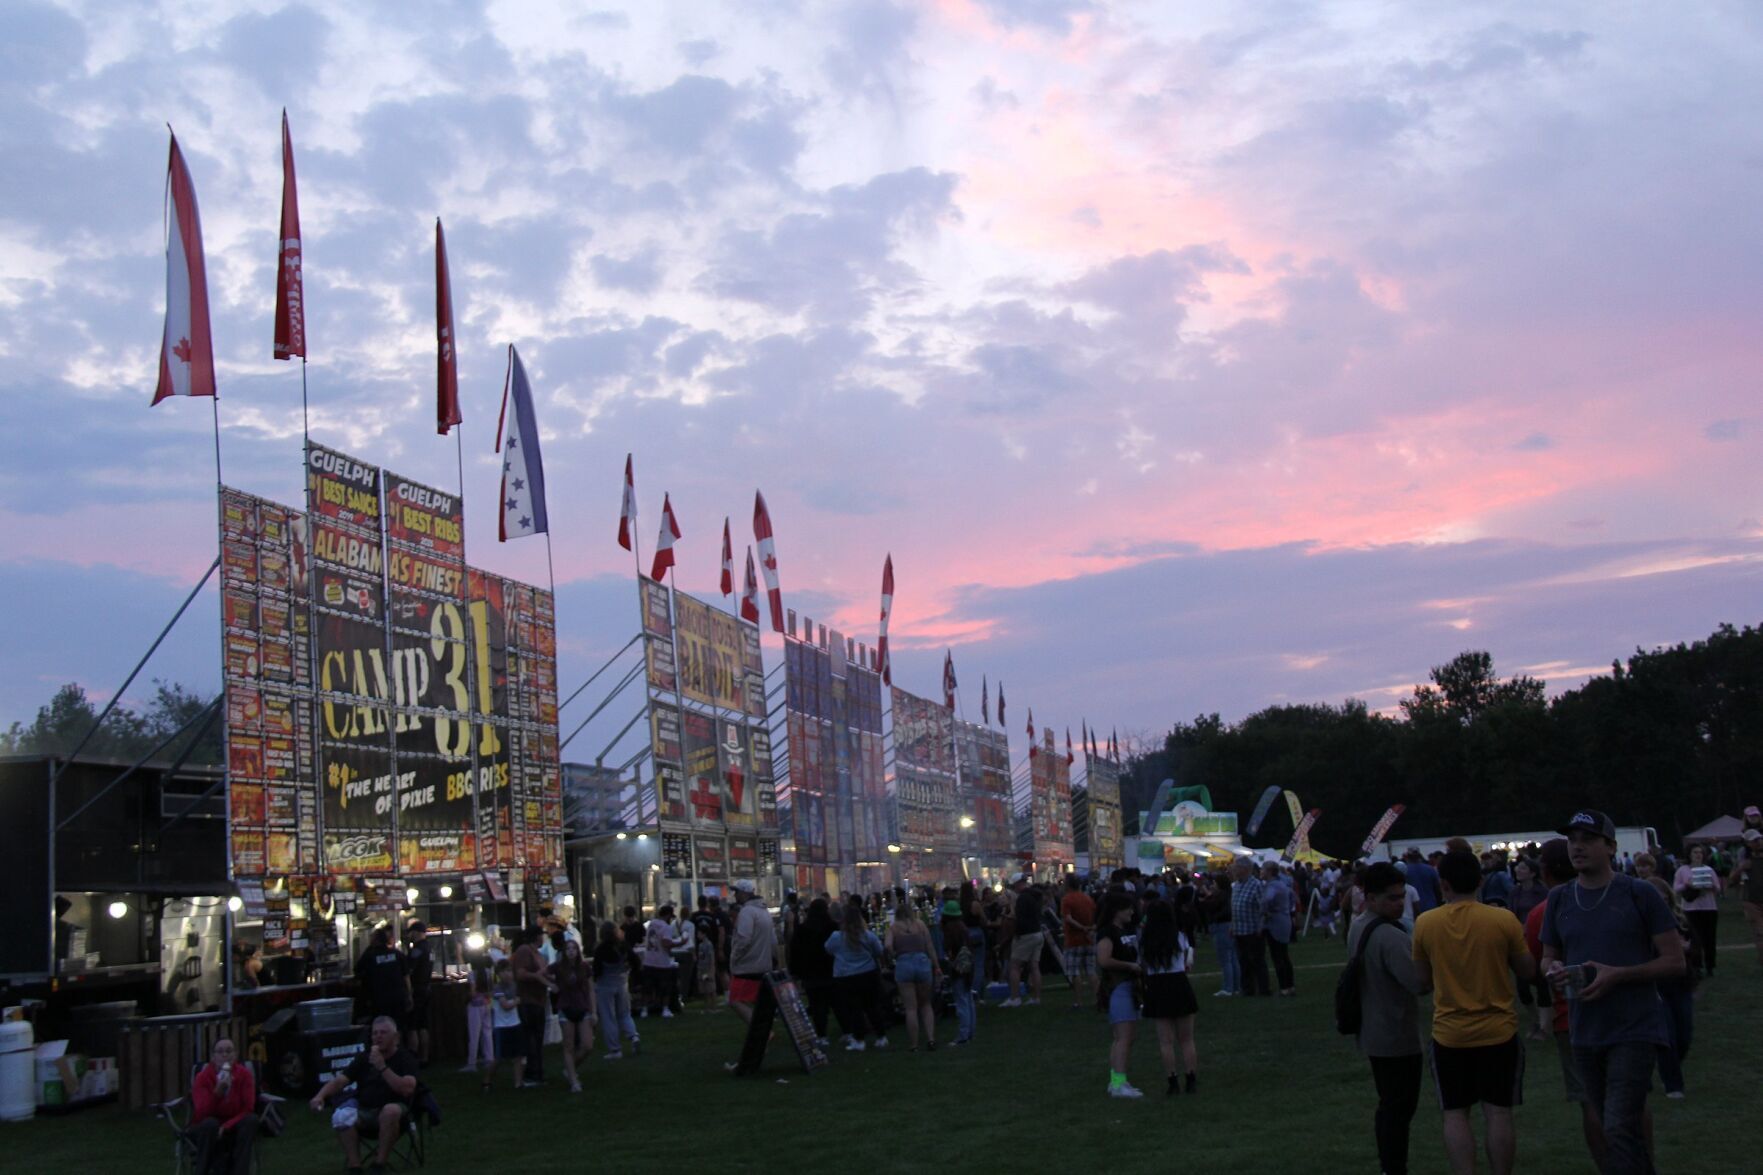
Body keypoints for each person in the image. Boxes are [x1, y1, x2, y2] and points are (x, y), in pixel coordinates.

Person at [1541, 810, 1683, 1175]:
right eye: (1572, 840)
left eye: (1587, 839)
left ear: (1611, 847)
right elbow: (1548, 956)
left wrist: (1619, 975)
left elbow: (1673, 961)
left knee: (1619, 1125)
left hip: (1634, 1028)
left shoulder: (1638, 893)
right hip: (1585, 1030)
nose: (1578, 847)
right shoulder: (1559, 899)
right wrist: (1553, 971)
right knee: (1614, 1128)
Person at [1410, 849, 1536, 1175]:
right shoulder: (1502, 919)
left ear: (1443, 884)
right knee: (1498, 1112)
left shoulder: (1426, 923)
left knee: (1454, 1113)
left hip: (1450, 1035)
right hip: (1499, 1032)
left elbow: (1422, 982)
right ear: (1480, 881)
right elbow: (1526, 970)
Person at [1523, 839, 1605, 1167]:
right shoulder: (1611, 898)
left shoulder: (1541, 913)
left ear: (1543, 871)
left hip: (1570, 1016)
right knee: (1632, 1098)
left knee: (1591, 1100)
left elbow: (1533, 967)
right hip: (1620, 1010)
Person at [1350, 862, 1427, 1175]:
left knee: (1389, 1106)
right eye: (1392, 898)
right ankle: (1394, 1167)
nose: (1399, 903)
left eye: (1401, 897)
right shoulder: (1390, 936)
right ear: (1370, 898)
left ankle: (1390, 1165)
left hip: (1372, 1029)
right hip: (1396, 1033)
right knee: (1399, 1107)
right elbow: (1419, 983)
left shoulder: (1359, 924)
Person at [310, 1016, 418, 1174]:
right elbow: (340, 1081)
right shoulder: (364, 1058)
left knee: (390, 1110)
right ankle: (355, 1166)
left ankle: (379, 1164)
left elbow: (407, 1089)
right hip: (365, 1111)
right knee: (342, 1115)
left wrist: (382, 1067)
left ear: (396, 1037)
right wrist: (319, 1096)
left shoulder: (405, 1058)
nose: (378, 1036)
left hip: (396, 1115)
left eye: (383, 1033)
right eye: (375, 1033)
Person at [1138, 899, 1199, 1096]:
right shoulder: (1179, 937)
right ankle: (1191, 1079)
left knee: (1165, 1041)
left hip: (1157, 986)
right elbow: (1188, 961)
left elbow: (1143, 965)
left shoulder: (1146, 940)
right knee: (1186, 1039)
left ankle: (1172, 1081)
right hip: (1179, 983)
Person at [1642, 876, 1695, 1100]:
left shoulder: (1679, 919)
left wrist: (1689, 948)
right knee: (1668, 1036)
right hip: (1656, 985)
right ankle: (1673, 1082)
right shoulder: (1641, 923)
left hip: (1680, 984)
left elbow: (1696, 947)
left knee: (1684, 1034)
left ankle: (1669, 1067)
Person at [1094, 892, 1143, 1097]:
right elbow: (1104, 960)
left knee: (1126, 1037)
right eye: (1127, 908)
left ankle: (1117, 1080)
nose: (1132, 911)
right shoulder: (1107, 933)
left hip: (1130, 987)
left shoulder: (1128, 929)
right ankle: (1118, 1082)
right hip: (1118, 987)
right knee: (1123, 1036)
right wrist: (1129, 965)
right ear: (1116, 911)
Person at [825, 901, 889, 1051]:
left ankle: (859, 1040)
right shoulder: (868, 936)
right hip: (868, 973)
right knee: (871, 1006)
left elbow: (827, 949)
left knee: (854, 1009)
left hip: (846, 976)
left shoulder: (837, 937)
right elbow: (879, 951)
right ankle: (881, 1036)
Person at [189, 1037, 257, 1175]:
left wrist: (226, 1126)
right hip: (207, 1126)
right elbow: (201, 1112)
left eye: (229, 1051)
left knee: (251, 1120)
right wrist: (217, 1093)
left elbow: (248, 1108)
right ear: (213, 1056)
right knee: (210, 1124)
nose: (224, 1055)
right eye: (220, 1052)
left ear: (236, 1054)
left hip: (234, 1124)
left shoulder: (244, 1075)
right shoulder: (203, 1077)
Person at [885, 899, 940, 1051]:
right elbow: (930, 947)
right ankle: (931, 1039)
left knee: (910, 1008)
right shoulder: (920, 925)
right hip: (922, 963)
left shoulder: (893, 928)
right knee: (926, 1004)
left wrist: (894, 955)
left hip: (904, 965)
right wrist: (936, 966)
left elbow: (888, 945)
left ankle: (914, 1045)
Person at [727, 879, 778, 1027]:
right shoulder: (764, 912)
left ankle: (759, 1029)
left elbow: (743, 940)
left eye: (736, 892)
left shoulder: (747, 912)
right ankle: (765, 1027)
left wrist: (734, 958)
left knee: (735, 1000)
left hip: (746, 967)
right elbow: (773, 940)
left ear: (743, 893)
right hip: (763, 965)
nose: (735, 895)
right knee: (758, 1002)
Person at [549, 938, 596, 1093]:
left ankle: (570, 1068)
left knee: (587, 1045)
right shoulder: (558, 967)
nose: (571, 951)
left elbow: (590, 989)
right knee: (568, 1045)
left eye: (573, 948)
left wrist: (593, 1010)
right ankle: (574, 1080)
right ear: (564, 951)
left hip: (582, 1007)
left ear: (578, 951)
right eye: (568, 948)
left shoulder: (584, 967)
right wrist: (551, 985)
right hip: (566, 1007)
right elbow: (542, 973)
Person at [789, 898, 837, 1045]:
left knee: (817, 1005)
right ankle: (848, 1030)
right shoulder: (832, 927)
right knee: (837, 1002)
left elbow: (794, 951)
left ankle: (822, 1035)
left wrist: (795, 971)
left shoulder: (803, 929)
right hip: (830, 969)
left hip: (809, 971)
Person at [511, 926, 555, 1087]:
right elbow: (520, 973)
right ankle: (531, 1073)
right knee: (530, 1038)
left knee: (537, 1038)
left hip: (539, 1000)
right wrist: (537, 976)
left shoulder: (537, 953)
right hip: (528, 1001)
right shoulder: (524, 951)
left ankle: (537, 1071)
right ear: (536, 937)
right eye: (541, 935)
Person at [1671, 844, 1723, 978]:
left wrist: (1711, 885)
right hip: (1691, 909)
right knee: (1695, 938)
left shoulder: (1709, 870)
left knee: (1710, 938)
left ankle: (1710, 965)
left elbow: (1718, 888)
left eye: (1700, 852)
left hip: (1709, 908)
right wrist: (1687, 884)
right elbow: (1675, 888)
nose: (1698, 855)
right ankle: (1697, 966)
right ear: (1689, 854)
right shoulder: (1683, 870)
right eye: (1695, 852)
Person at [592, 921, 639, 1060]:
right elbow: (636, 961)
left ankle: (615, 1049)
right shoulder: (623, 946)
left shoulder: (600, 949)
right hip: (622, 982)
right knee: (625, 1013)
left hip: (605, 985)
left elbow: (597, 970)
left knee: (608, 1017)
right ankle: (633, 1035)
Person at [355, 926, 410, 1036]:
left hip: (379, 999)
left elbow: (357, 970)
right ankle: (398, 1048)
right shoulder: (397, 954)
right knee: (398, 1027)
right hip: (398, 998)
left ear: (375, 940)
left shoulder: (370, 956)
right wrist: (409, 996)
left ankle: (385, 1050)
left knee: (381, 1027)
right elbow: (406, 977)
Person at [1002, 874, 1045, 1006]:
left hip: (1025, 935)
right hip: (1038, 933)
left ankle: (1015, 998)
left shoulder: (1022, 898)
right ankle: (1036, 997)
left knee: (1014, 966)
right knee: (1034, 966)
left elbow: (1017, 917)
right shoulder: (1035, 895)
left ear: (1017, 884)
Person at [1229, 858, 1270, 996]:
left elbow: (1263, 908)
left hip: (1253, 931)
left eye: (1236, 868)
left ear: (1245, 869)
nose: (1233, 870)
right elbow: (1235, 907)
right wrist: (1232, 925)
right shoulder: (1236, 885)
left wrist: (1261, 926)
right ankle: (1247, 989)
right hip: (1239, 930)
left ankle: (1263, 989)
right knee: (1243, 961)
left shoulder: (1256, 885)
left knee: (1257, 960)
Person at [1059, 873, 1098, 1009]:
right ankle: (1096, 999)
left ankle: (1078, 1001)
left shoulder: (1067, 900)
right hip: (1089, 939)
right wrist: (1090, 928)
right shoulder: (1088, 899)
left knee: (1075, 972)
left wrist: (1081, 927)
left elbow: (1068, 918)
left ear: (1068, 885)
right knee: (1091, 971)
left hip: (1073, 940)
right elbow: (1095, 916)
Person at [1200, 872, 1239, 996]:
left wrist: (1206, 898)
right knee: (1232, 958)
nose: (1213, 885)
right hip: (1228, 925)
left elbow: (1211, 906)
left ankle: (1227, 987)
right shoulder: (1229, 894)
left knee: (1225, 959)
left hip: (1221, 926)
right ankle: (1236, 986)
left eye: (1215, 883)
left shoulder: (1221, 896)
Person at [640, 904, 682, 1018]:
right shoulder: (666, 927)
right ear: (668, 915)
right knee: (665, 987)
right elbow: (666, 943)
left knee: (648, 987)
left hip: (648, 959)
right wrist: (679, 942)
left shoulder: (651, 924)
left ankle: (644, 1009)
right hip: (661, 961)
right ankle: (665, 1008)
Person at [1261, 861, 1296, 996]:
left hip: (1275, 923)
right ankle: (1290, 985)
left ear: (1269, 871)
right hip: (1284, 919)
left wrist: (1264, 911)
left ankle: (1284, 987)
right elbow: (1293, 897)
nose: (1261, 872)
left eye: (1263, 870)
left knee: (1278, 956)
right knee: (1284, 955)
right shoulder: (1282, 884)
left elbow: (1266, 900)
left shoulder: (1272, 886)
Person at [403, 920, 434, 1066]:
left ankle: (413, 1058)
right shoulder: (430, 948)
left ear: (415, 932)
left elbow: (408, 970)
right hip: (427, 988)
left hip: (416, 990)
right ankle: (425, 1057)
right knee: (424, 1025)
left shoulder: (417, 950)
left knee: (412, 1026)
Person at [488, 958, 522, 1089]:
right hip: (501, 1026)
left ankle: (518, 1083)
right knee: (499, 1058)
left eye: (509, 971)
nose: (507, 974)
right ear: (498, 974)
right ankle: (487, 1080)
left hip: (515, 1023)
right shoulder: (497, 988)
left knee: (518, 1055)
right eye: (504, 972)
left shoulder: (514, 986)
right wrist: (517, 1001)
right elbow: (505, 1005)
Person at [461, 949, 495, 1077]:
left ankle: (472, 1063)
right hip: (487, 1004)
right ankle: (489, 1059)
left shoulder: (472, 974)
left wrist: (468, 998)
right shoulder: (487, 972)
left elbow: (473, 992)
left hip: (475, 1006)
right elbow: (491, 990)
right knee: (487, 1033)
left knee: (474, 1035)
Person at [1734, 827, 1763, 967]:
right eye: (1755, 840)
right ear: (1748, 843)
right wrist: (1741, 869)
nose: (1758, 842)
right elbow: (1732, 879)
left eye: (1759, 839)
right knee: (1759, 930)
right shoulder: (1745, 859)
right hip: (1751, 899)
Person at [1402, 849, 1442, 915]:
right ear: (1420, 856)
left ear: (1407, 857)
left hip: (1413, 908)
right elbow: (1438, 888)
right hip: (1431, 907)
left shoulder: (1405, 871)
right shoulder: (1430, 869)